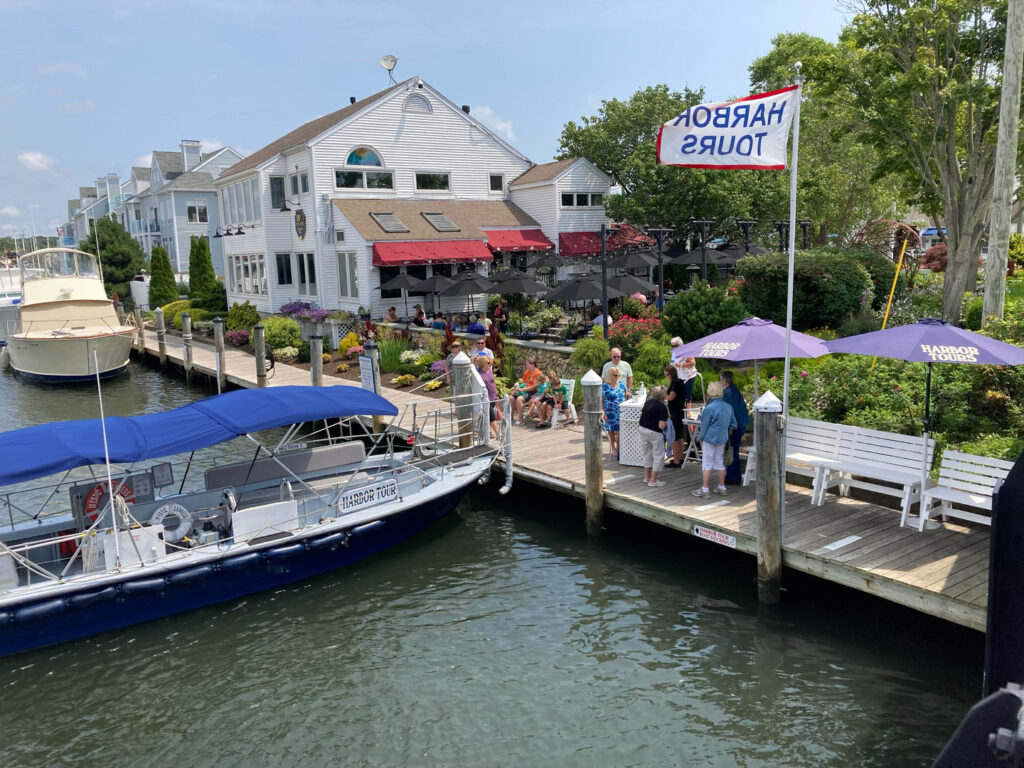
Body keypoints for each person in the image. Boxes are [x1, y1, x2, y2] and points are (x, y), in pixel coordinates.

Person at [691, 381, 737, 499]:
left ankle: (705, 489)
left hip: (709, 438)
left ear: (710, 392)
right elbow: (733, 424)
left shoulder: (709, 408)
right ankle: (722, 487)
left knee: (707, 462)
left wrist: (700, 438)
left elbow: (704, 426)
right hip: (722, 438)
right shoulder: (729, 407)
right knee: (720, 462)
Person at [720, 370, 750, 485]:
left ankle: (734, 477)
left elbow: (732, 411)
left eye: (720, 379)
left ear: (724, 380)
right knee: (732, 450)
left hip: (736, 425)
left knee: (732, 450)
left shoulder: (728, 392)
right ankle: (732, 475)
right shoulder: (733, 389)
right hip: (740, 423)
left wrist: (730, 427)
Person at [638, 386, 669, 487]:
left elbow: (641, 416)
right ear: (663, 396)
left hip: (642, 429)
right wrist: (667, 424)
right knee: (658, 455)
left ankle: (647, 476)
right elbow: (661, 425)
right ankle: (653, 480)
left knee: (647, 453)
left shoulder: (648, 403)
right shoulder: (662, 407)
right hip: (654, 432)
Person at [663, 366, 688, 468]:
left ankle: (676, 460)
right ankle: (680, 457)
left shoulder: (675, 383)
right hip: (679, 411)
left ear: (672, 374)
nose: (666, 377)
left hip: (676, 412)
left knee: (673, 436)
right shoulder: (679, 382)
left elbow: (671, 397)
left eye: (667, 375)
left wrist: (661, 396)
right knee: (679, 436)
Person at [602, 367, 627, 458]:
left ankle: (619, 448)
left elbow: (626, 394)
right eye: (616, 375)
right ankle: (613, 447)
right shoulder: (605, 386)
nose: (618, 377)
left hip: (621, 411)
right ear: (610, 375)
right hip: (610, 412)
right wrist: (603, 413)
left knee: (620, 431)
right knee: (611, 431)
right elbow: (601, 400)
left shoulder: (621, 384)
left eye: (618, 375)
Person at [475, 355, 501, 440]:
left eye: (489, 363)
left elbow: (493, 383)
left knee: (489, 416)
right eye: (487, 363)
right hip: (485, 399)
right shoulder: (478, 373)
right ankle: (498, 434)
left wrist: (496, 395)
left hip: (493, 397)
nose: (489, 364)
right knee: (492, 417)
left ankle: (486, 433)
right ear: (483, 364)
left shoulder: (489, 371)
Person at [512, 358, 541, 425]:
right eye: (526, 364)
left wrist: (523, 389)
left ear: (533, 365)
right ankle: (511, 418)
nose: (526, 365)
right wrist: (517, 389)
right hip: (525, 390)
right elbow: (524, 383)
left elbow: (535, 386)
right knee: (511, 398)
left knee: (519, 399)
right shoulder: (526, 372)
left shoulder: (538, 373)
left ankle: (520, 419)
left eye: (527, 364)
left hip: (533, 392)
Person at [670, 336, 697, 405]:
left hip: (688, 376)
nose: (674, 347)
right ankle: (681, 408)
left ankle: (688, 412)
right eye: (673, 346)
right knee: (678, 393)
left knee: (687, 394)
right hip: (679, 376)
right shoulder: (674, 351)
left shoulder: (687, 351)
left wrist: (682, 365)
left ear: (681, 344)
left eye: (676, 346)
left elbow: (693, 363)